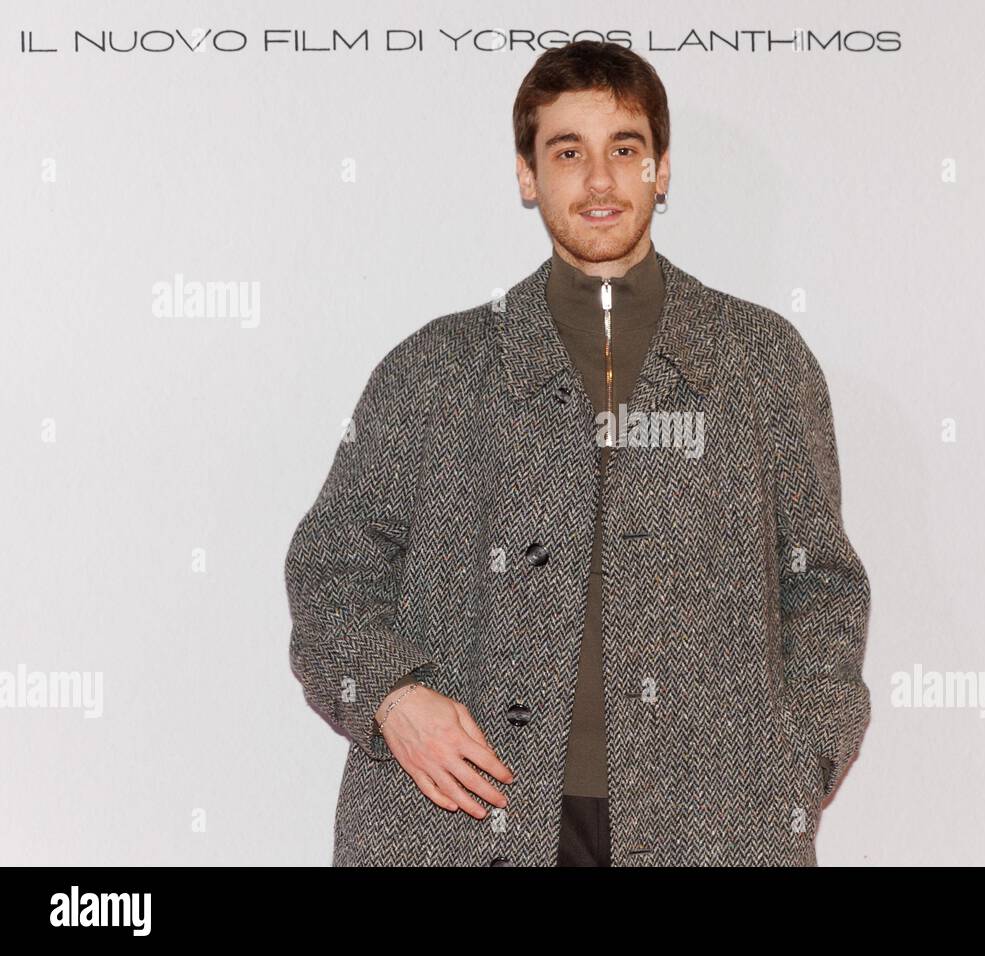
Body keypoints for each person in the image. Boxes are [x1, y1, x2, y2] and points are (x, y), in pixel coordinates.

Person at [284, 39, 872, 867]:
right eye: (568, 152)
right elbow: (330, 567)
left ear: (660, 170)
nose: (599, 182)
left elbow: (824, 589)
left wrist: (794, 765)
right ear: (528, 175)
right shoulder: (436, 368)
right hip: (459, 825)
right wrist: (392, 695)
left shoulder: (761, 362)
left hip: (709, 830)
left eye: (624, 150)